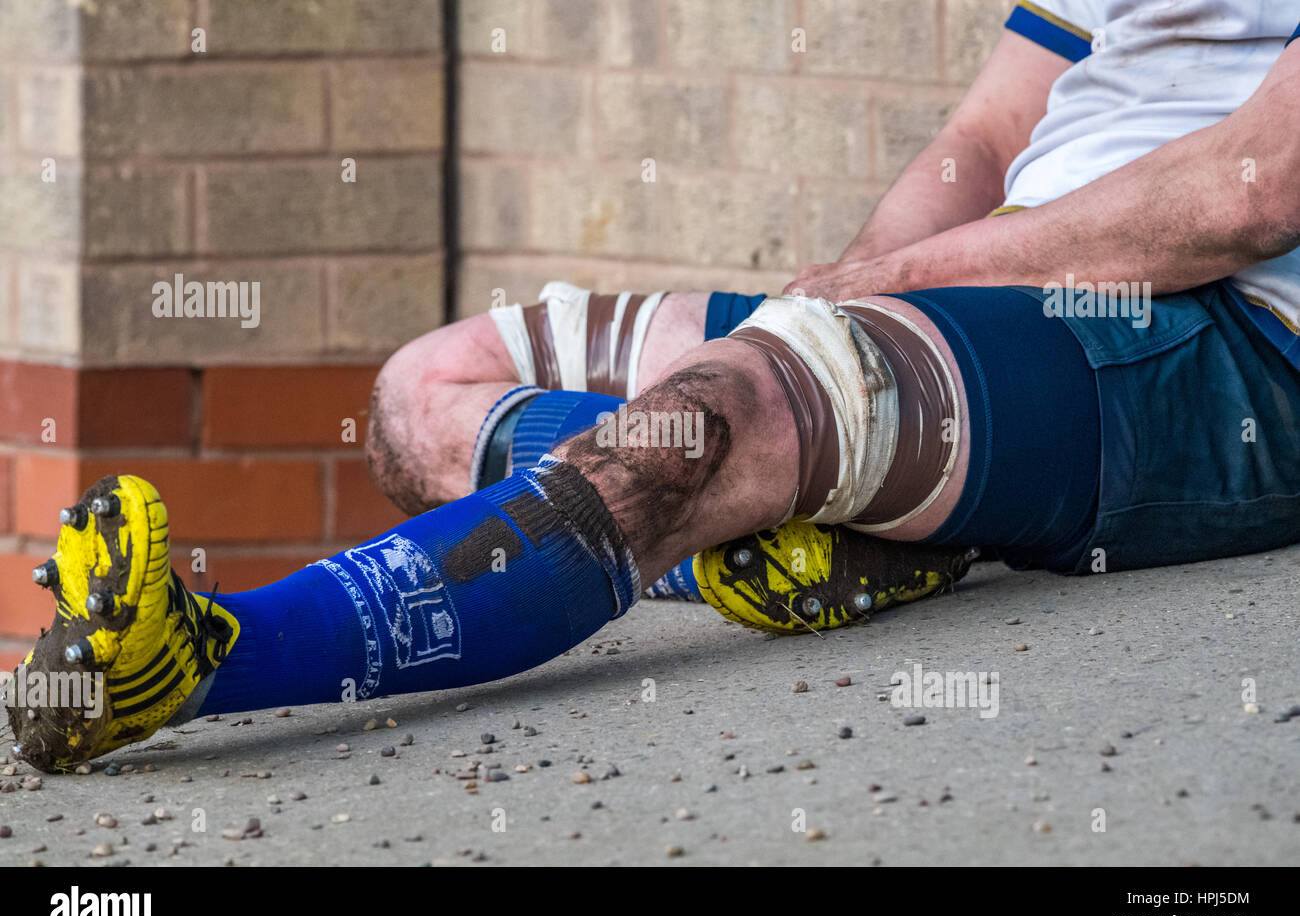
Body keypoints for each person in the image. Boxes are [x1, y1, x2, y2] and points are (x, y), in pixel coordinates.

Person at [9, 1, 1300, 771]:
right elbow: (986, 135)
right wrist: (852, 284)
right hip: (1005, 279)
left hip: (1231, 334)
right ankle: (796, 531)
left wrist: (878, 301)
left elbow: (1258, 187)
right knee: (426, 388)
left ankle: (209, 660)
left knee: (733, 415)